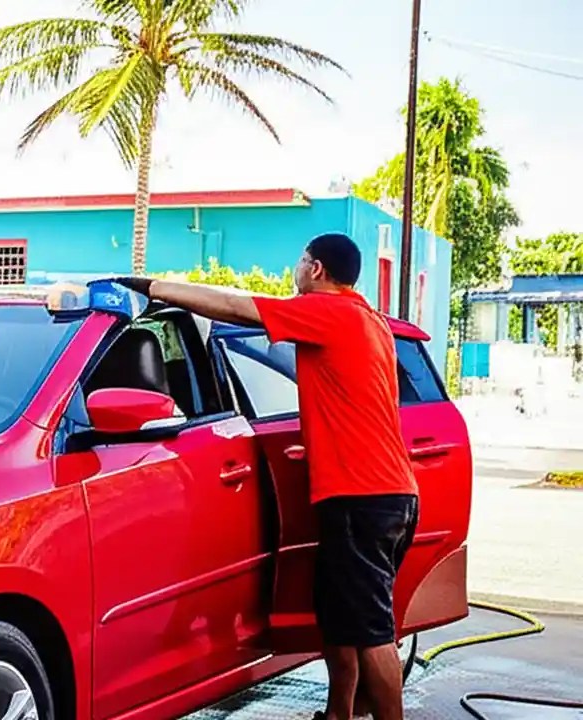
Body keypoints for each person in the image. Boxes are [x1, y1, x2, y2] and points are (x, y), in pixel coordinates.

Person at [112, 232, 419, 720]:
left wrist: (154, 287)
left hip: (362, 498)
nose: (295, 270)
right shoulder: (368, 320)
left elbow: (235, 308)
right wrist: (318, 446)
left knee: (370, 631)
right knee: (341, 621)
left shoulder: (326, 312)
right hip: (384, 493)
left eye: (300, 261)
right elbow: (353, 397)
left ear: (316, 269)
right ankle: (339, 714)